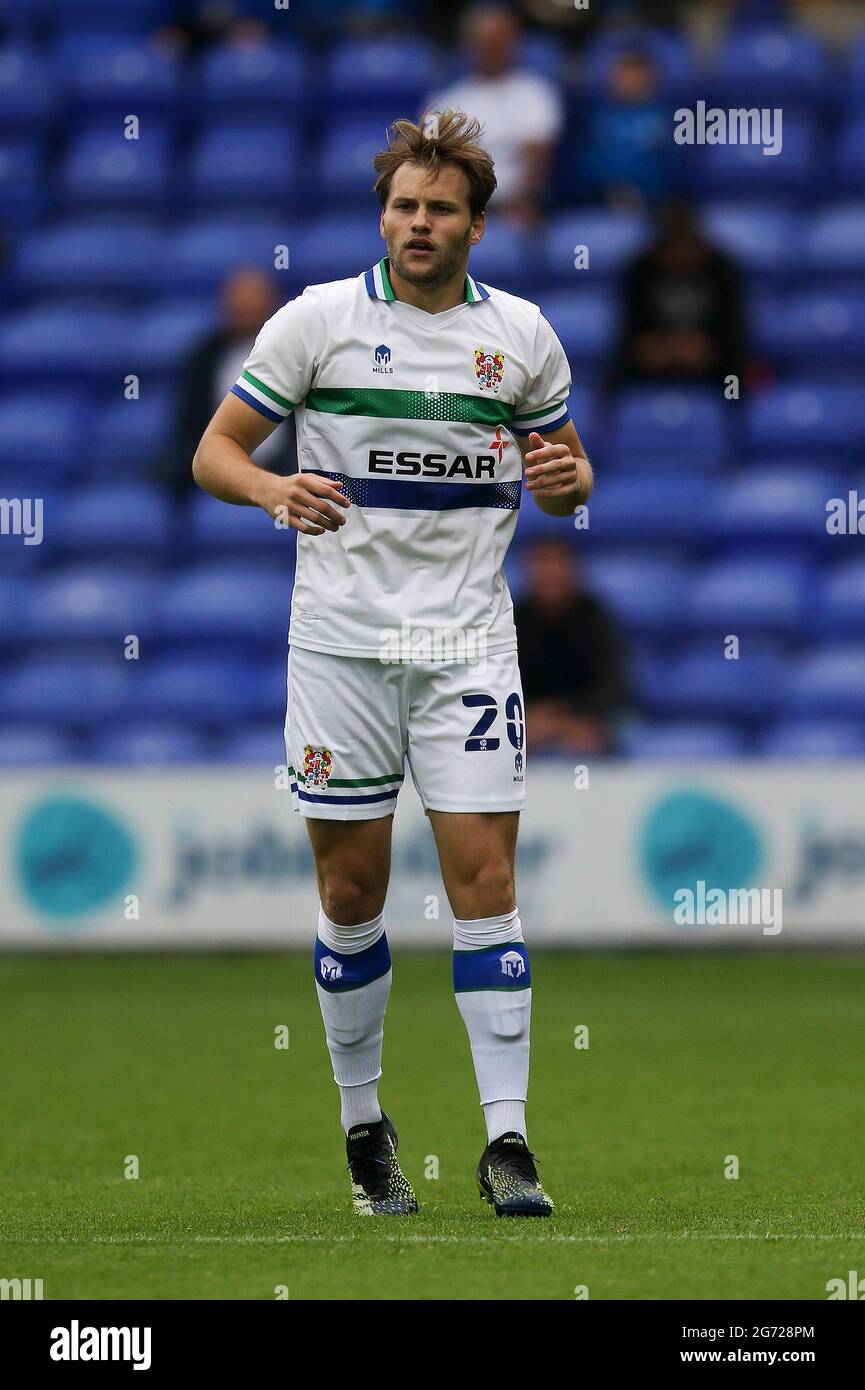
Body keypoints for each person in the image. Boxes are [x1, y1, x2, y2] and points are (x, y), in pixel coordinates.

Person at [192, 111, 592, 1218]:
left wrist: (567, 485)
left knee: (487, 885)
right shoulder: (316, 320)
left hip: (466, 645)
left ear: (477, 221)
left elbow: (568, 470)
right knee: (349, 890)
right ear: (385, 214)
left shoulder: (520, 335)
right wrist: (274, 489)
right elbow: (214, 451)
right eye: (405, 206)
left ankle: (507, 1143)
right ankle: (365, 1126)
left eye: (441, 209)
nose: (420, 224)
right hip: (342, 648)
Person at [427, 5, 564, 226]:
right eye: (484, 42)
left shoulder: (536, 93)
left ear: (513, 43)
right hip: (458, 204)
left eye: (499, 40)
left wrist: (524, 200)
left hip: (515, 205)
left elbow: (537, 157)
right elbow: (432, 161)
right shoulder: (444, 102)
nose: (492, 47)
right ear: (470, 46)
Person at [167, 267, 294, 490]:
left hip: (286, 468)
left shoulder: (295, 350)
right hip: (212, 473)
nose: (246, 309)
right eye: (239, 303)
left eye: (253, 303)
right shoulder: (205, 356)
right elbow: (188, 421)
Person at [614, 200, 745, 387]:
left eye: (685, 248)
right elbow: (628, 337)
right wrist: (654, 349)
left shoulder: (723, 273)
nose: (680, 257)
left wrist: (710, 350)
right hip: (648, 375)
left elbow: (735, 337)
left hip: (715, 375)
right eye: (673, 249)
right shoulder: (639, 273)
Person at [514, 540, 627, 754]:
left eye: (557, 565)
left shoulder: (597, 618)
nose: (550, 574)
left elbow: (615, 686)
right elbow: (503, 681)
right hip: (529, 720)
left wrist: (571, 718)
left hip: (590, 718)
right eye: (542, 564)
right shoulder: (511, 620)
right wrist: (529, 718)